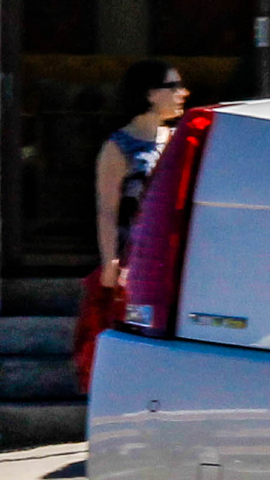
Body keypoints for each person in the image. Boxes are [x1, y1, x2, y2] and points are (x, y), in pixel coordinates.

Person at [74, 59, 187, 386]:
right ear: (151, 94)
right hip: (136, 264)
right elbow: (107, 210)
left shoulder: (181, 139)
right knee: (139, 335)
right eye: (174, 86)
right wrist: (109, 262)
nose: (183, 93)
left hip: (177, 261)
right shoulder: (118, 147)